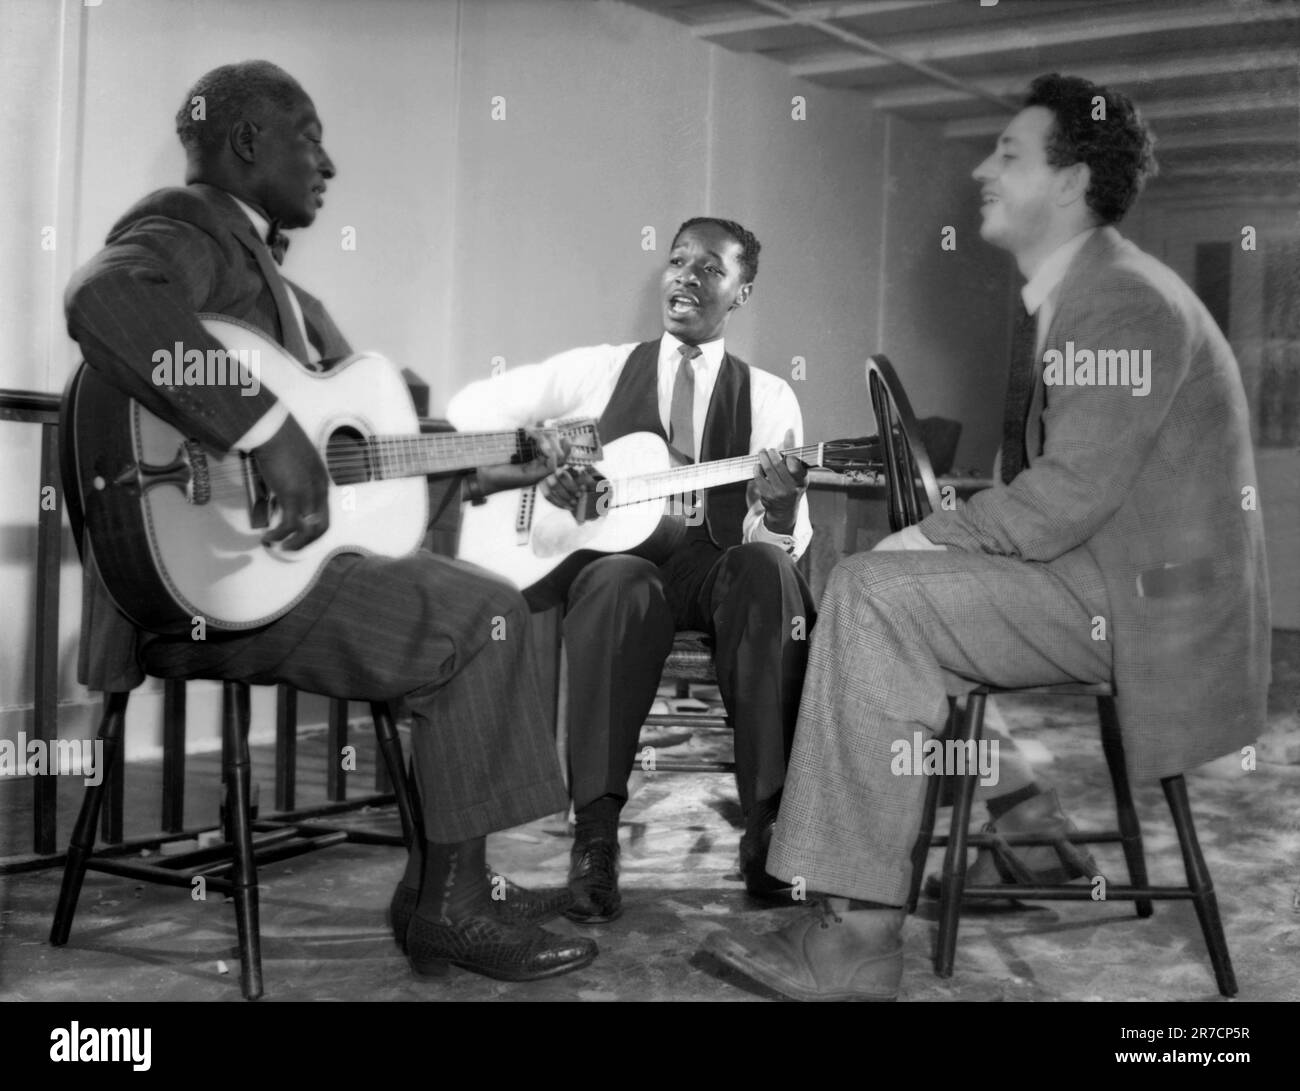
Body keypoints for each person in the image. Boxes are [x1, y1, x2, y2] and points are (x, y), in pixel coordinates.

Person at [705, 73, 1270, 1001]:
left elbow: (1062, 500)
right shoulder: (1082, 288)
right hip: (1113, 575)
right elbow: (1066, 486)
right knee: (884, 597)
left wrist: (922, 542)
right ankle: (918, 875)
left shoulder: (1121, 299)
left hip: (1145, 605)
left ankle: (855, 940)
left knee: (871, 593)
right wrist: (947, 534)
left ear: (1073, 183)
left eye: (1010, 154)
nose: (983, 168)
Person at [63, 60, 597, 984]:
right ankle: (453, 906)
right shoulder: (190, 230)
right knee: (490, 614)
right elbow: (105, 299)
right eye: (309, 136)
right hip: (212, 586)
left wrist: (507, 460)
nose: (329, 163)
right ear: (244, 143)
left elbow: (368, 465)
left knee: (485, 605)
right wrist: (264, 430)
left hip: (284, 576)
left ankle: (448, 880)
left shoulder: (288, 298)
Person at [447, 218, 817, 921]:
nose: (685, 276)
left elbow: (781, 542)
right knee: (616, 585)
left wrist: (780, 507)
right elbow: (471, 408)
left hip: (716, 568)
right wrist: (547, 452)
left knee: (768, 572)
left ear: (742, 292)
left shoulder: (769, 397)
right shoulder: (604, 369)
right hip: (621, 561)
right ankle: (595, 842)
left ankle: (769, 830)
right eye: (676, 261)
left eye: (710, 268)